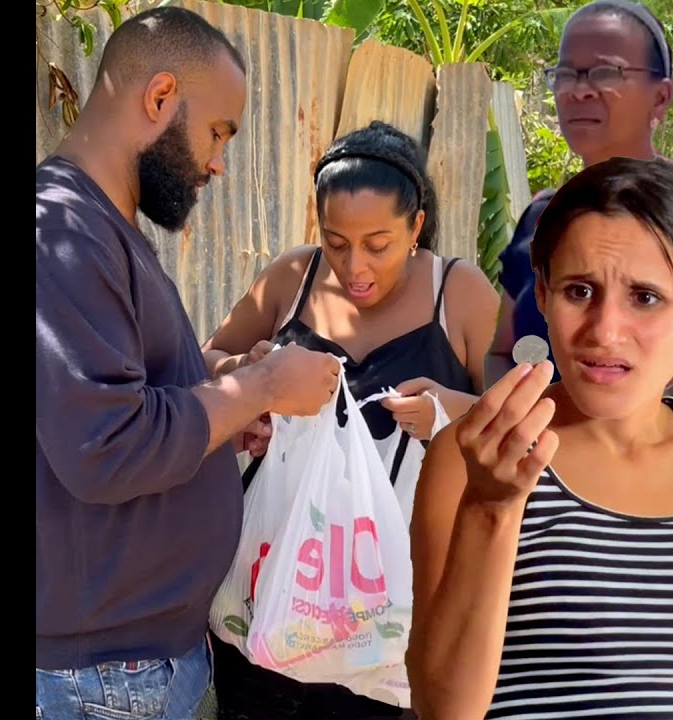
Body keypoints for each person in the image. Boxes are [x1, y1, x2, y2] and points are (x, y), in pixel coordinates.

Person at [35, 8, 342, 720]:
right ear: (160, 96)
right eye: (217, 132)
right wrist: (260, 384)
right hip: (107, 679)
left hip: (132, 666)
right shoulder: (64, 234)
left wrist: (231, 414)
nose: (218, 162)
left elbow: (120, 409)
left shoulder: (105, 231)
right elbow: (106, 446)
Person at [408, 156, 673, 720]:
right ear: (541, 295)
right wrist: (492, 508)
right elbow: (444, 710)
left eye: (645, 297)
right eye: (578, 291)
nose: (604, 331)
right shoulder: (474, 457)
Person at [201, 120, 502, 719]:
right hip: (278, 591)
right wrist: (252, 372)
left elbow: (518, 419)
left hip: (393, 612)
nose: (354, 267)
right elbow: (207, 360)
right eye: (336, 243)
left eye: (378, 244)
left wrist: (450, 410)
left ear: (416, 225)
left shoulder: (459, 293)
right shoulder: (293, 276)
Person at [487, 0, 673, 445]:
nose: (579, 90)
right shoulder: (542, 217)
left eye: (605, 72)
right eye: (567, 73)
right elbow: (503, 350)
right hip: (557, 490)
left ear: (661, 96)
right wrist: (518, 423)